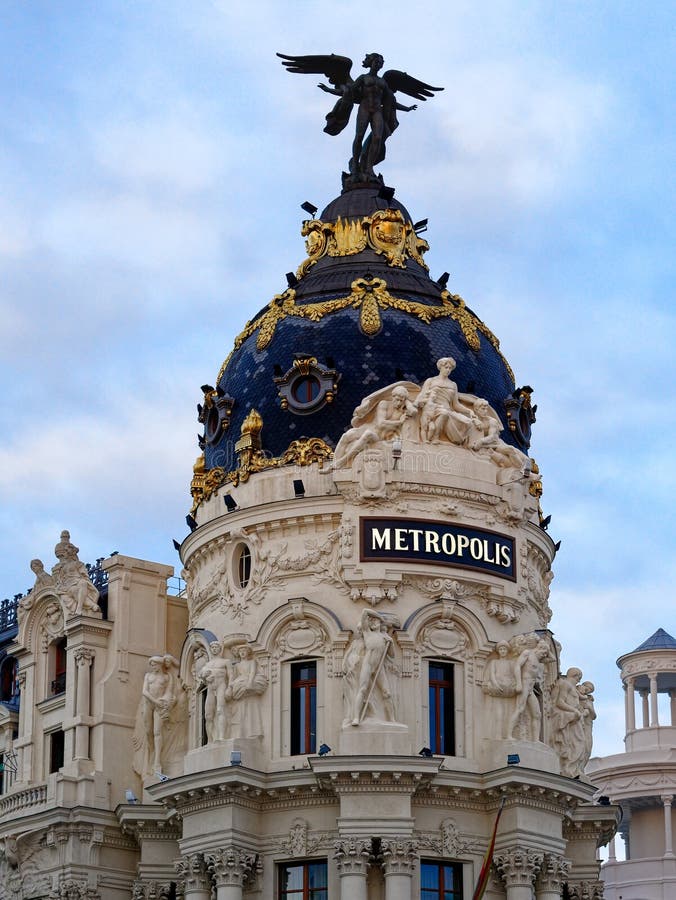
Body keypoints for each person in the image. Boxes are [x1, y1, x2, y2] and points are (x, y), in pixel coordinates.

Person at [334, 385, 416, 468]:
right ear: (392, 397)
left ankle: (342, 461)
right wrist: (399, 422)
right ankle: (333, 466)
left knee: (368, 434)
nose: (398, 403)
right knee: (346, 436)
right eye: (397, 400)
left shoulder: (402, 412)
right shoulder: (384, 404)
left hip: (379, 436)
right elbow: (381, 423)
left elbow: (414, 411)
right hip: (369, 427)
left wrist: (407, 402)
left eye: (401, 401)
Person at [346, 610, 396, 725]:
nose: (373, 622)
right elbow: (364, 612)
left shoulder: (385, 638)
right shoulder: (367, 632)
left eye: (376, 621)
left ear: (380, 624)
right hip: (368, 664)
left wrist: (391, 643)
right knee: (362, 689)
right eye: (372, 620)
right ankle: (356, 718)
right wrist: (381, 617)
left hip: (379, 668)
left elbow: (392, 655)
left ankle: (392, 719)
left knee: (387, 693)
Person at [416, 358, 473, 445]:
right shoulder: (431, 381)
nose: (448, 370)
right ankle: (435, 437)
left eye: (450, 368)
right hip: (432, 408)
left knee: (467, 422)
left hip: (447, 409)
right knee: (444, 413)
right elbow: (422, 394)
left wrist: (469, 411)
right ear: (440, 367)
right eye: (446, 367)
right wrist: (415, 403)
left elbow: (456, 404)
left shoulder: (453, 384)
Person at [141, 656, 178, 773]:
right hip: (149, 704)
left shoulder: (167, 677)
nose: (153, 667)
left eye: (154, 664)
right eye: (151, 664)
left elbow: (170, 692)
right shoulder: (148, 676)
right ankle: (152, 752)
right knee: (148, 731)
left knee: (157, 732)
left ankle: (157, 761)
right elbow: (144, 692)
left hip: (159, 706)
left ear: (159, 664)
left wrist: (165, 702)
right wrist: (155, 701)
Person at [507, 640, 550, 741]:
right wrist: (518, 683)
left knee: (537, 714)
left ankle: (536, 739)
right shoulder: (527, 653)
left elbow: (552, 659)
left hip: (531, 689)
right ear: (539, 648)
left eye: (545, 654)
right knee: (519, 709)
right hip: (524, 685)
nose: (544, 655)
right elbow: (517, 666)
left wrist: (546, 644)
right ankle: (508, 735)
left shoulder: (538, 659)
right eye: (544, 652)